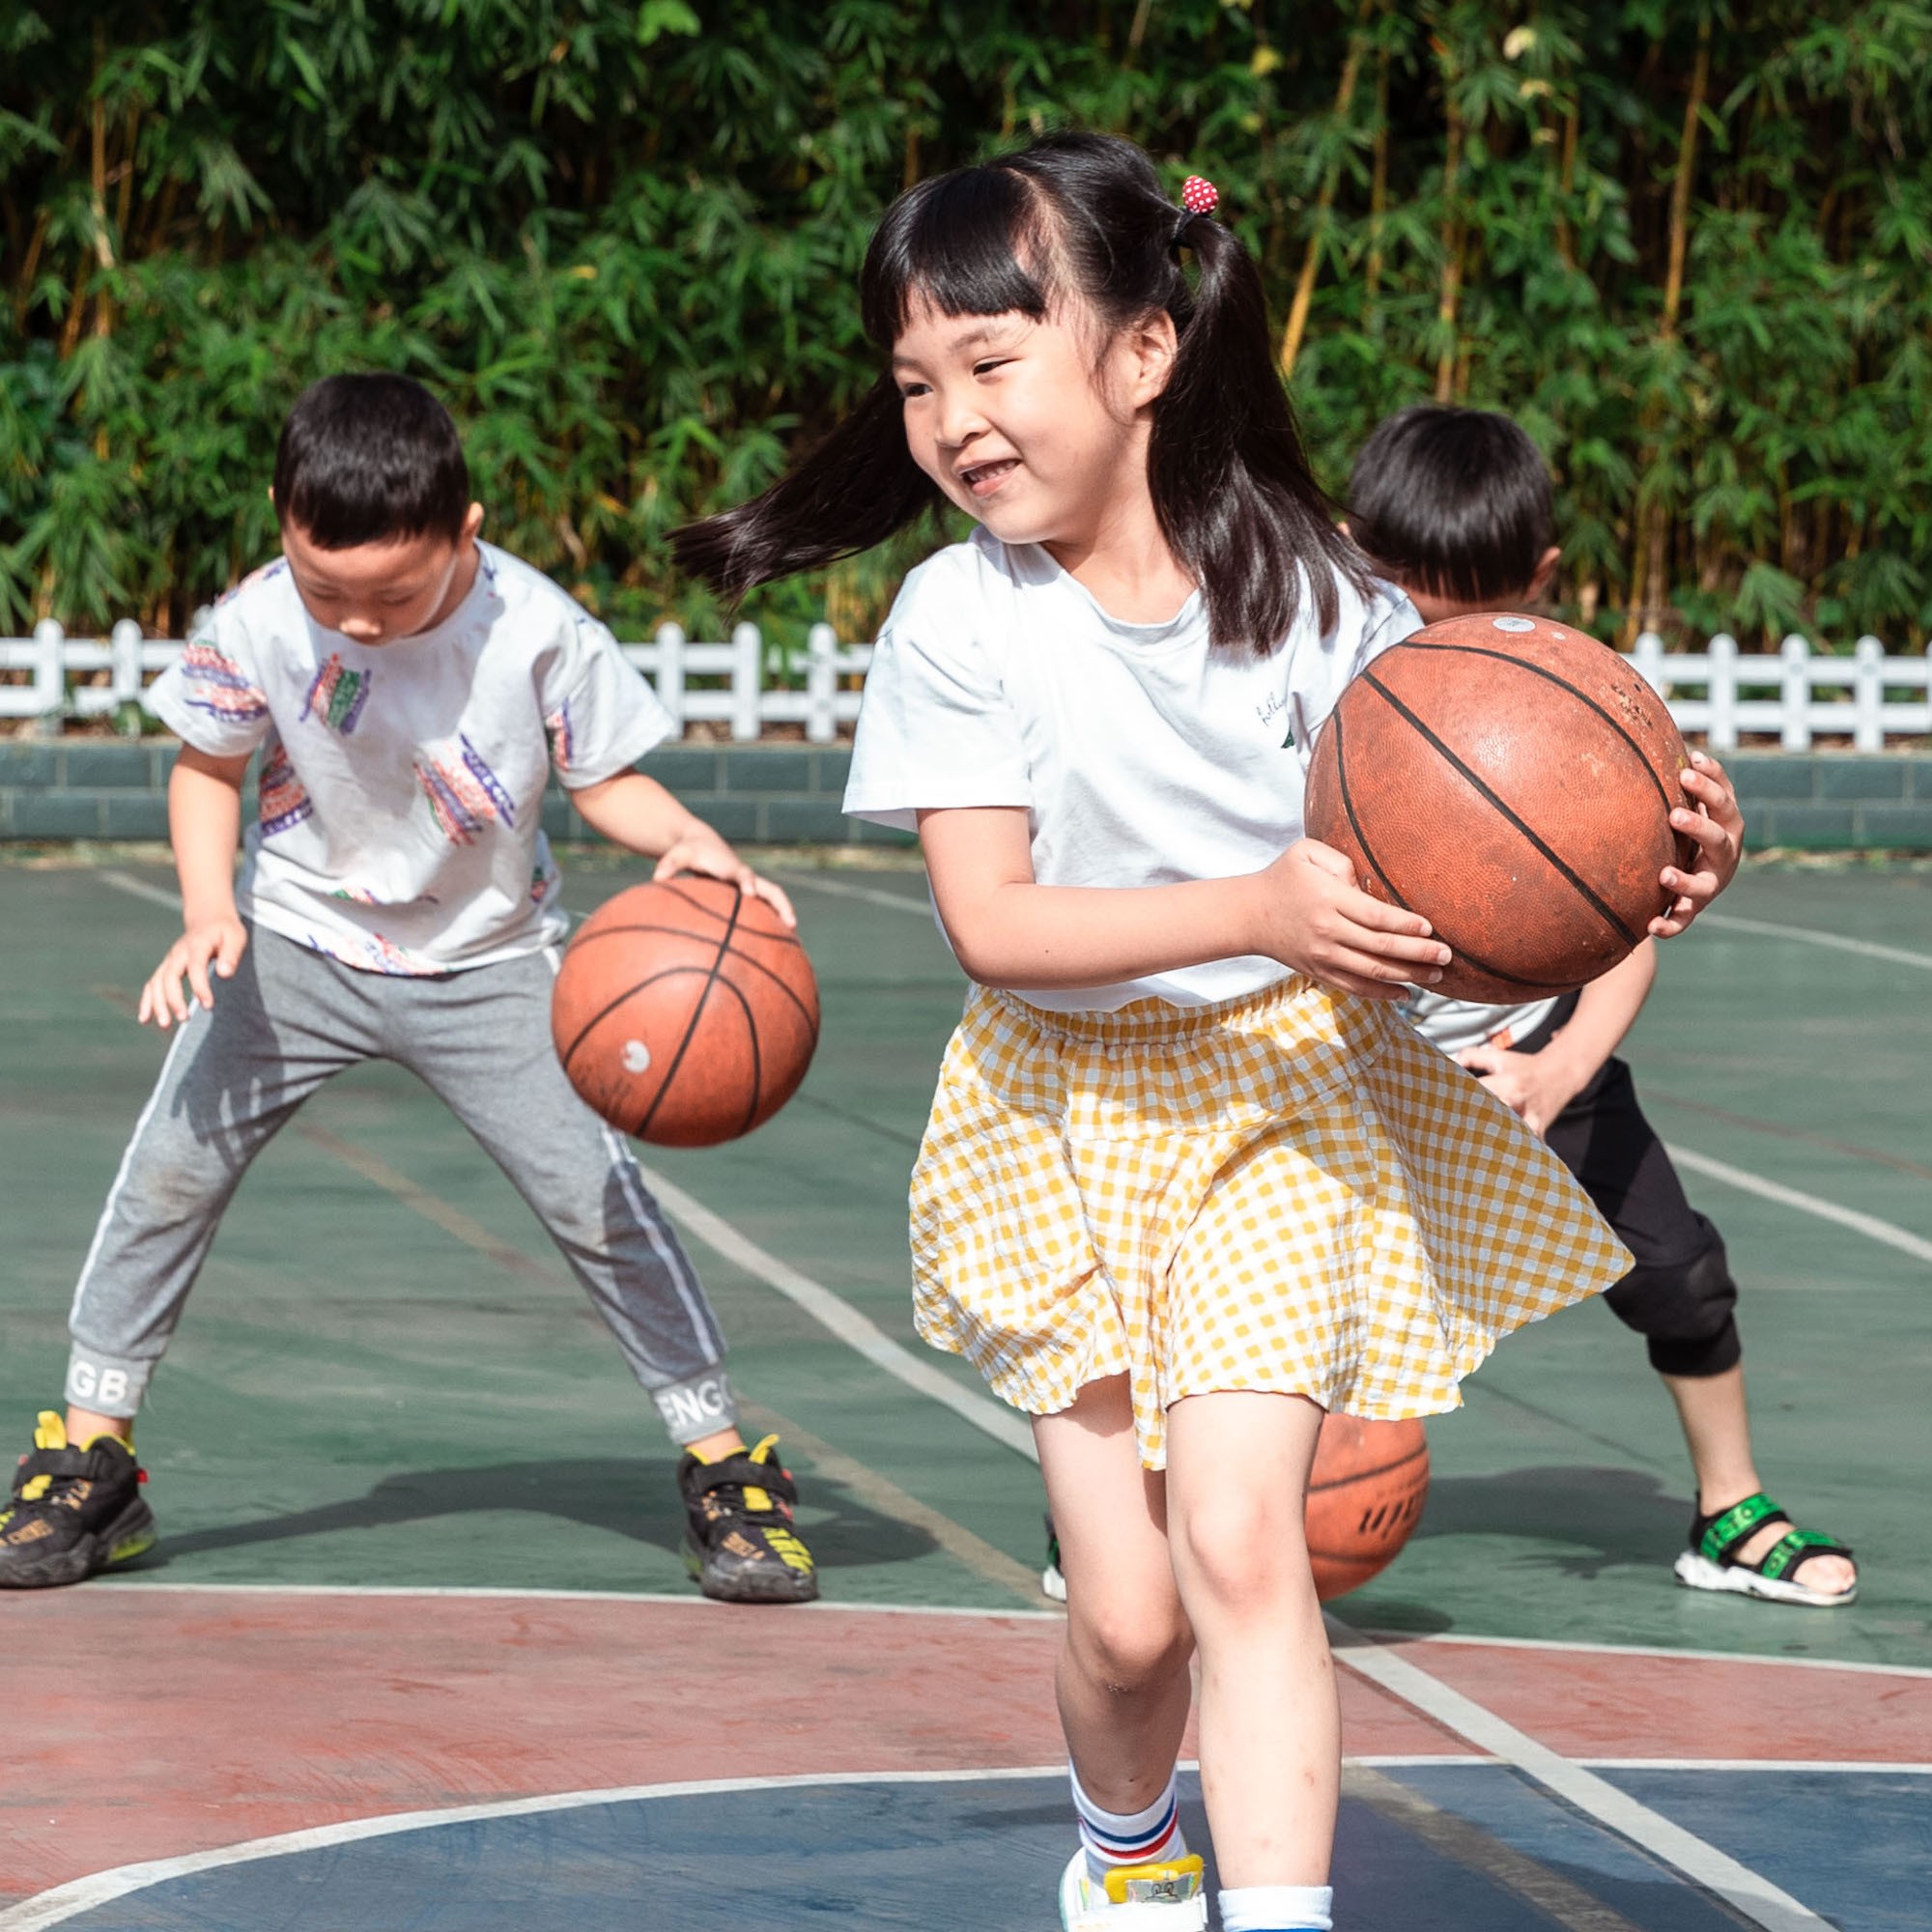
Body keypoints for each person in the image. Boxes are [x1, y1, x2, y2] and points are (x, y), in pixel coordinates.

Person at [674, 134, 1741, 1931]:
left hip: (1286, 1104)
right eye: (916, 384)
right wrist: (1255, 907)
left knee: (1245, 1548)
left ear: (1148, 351)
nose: (951, 419)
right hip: (1056, 1113)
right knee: (1127, 1618)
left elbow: (1465, 866)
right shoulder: (958, 618)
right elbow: (997, 929)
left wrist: (1645, 863)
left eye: (990, 361)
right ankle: (1122, 1843)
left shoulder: (1327, 601)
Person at [0, 373, 817, 1607]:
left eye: (394, 594)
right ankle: (91, 1456)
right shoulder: (257, 618)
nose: (360, 622)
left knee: (597, 1202)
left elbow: (604, 780)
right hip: (291, 944)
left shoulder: (536, 630)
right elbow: (206, 767)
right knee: (168, 1173)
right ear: (282, 522)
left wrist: (686, 838)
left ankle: (723, 1463)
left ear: (464, 532)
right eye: (328, 589)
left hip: (489, 962)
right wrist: (211, 911)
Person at [1341, 402, 1856, 1608]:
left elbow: (1628, 927)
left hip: (1525, 1051)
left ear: (1541, 579)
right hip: (1347, 1061)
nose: (1445, 644)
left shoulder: (1587, 717)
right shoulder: (1311, 696)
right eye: (1413, 609)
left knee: (1677, 1269)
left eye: (1477, 609)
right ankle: (1132, 1516)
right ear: (1353, 560)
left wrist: (1557, 1069)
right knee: (1246, 1295)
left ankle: (1728, 1507)